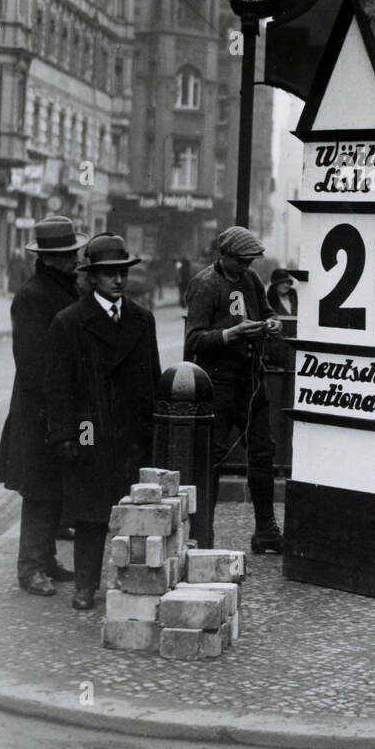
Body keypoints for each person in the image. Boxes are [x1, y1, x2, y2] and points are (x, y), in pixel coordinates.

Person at [46, 233, 161, 610]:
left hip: (130, 429)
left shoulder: (142, 320)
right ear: (91, 278)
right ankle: (85, 586)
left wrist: (151, 428)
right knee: (91, 511)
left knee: (134, 512)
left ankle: (130, 584)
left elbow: (152, 378)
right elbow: (59, 386)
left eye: (122, 273)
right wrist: (67, 436)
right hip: (89, 428)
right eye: (109, 273)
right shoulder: (69, 322)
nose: (118, 280)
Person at [0, 217, 84, 596]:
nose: (74, 259)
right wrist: (54, 410)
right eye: (66, 255)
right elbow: (31, 363)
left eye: (73, 252)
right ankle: (30, 568)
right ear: (49, 259)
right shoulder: (33, 296)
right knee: (39, 492)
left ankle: (46, 560)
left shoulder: (62, 289)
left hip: (56, 407)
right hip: (40, 410)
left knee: (55, 488)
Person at [184, 225, 284, 553]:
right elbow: (194, 339)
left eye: (250, 261)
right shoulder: (204, 284)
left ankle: (266, 530)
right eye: (241, 261)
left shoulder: (251, 280)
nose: (246, 267)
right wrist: (230, 335)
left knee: (263, 452)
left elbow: (268, 312)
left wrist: (271, 324)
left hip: (251, 382)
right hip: (218, 384)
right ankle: (203, 532)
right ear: (224, 256)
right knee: (213, 457)